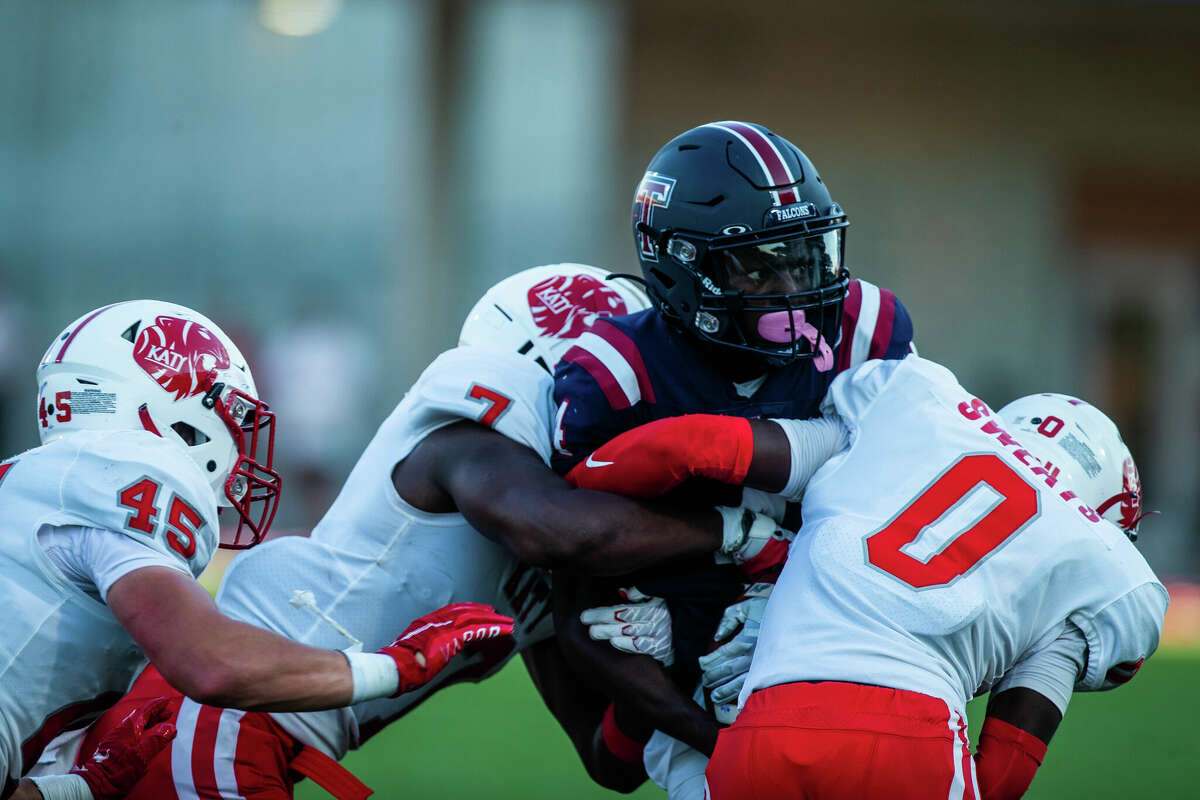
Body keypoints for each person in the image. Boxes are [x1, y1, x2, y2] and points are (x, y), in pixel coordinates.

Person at [69, 265, 778, 799]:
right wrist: (738, 528)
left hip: (251, 734)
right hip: (213, 714)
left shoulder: (564, 525)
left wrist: (702, 710)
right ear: (551, 363)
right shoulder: (472, 447)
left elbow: (604, 759)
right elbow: (560, 535)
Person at [567, 357, 1167, 800]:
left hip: (768, 726)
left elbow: (694, 445)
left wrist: (559, 505)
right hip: (915, 737)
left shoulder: (914, 402)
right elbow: (1007, 769)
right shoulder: (1100, 561)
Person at [1, 300, 513, 800]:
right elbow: (207, 661)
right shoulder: (126, 472)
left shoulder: (38, 483)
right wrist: (394, 667)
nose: (238, 441)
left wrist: (77, 787)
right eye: (229, 413)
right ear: (164, 402)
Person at [547, 120, 916, 784]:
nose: (793, 288)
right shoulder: (616, 374)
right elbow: (581, 612)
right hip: (695, 678)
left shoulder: (867, 330)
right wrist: (715, 734)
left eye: (804, 256)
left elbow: (910, 502)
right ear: (680, 266)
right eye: (757, 267)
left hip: (846, 640)